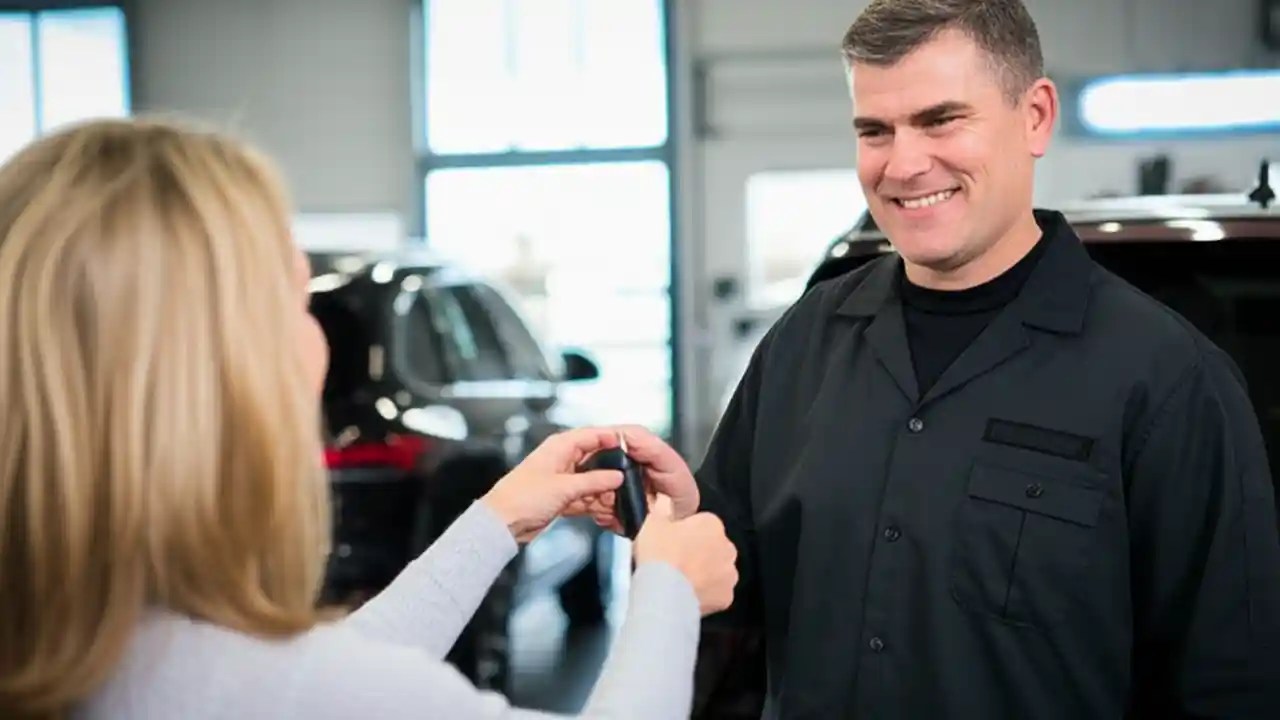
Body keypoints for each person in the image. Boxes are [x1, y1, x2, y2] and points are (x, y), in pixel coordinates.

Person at [619, 1, 1280, 718]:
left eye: (941, 120)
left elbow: (1227, 684)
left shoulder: (1168, 380)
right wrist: (680, 525)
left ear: (1035, 117)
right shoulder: (804, 342)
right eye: (876, 131)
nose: (903, 164)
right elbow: (727, 605)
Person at [0, 117, 739, 720]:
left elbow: (332, 679)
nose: (317, 337)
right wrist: (669, 594)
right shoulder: (249, 681)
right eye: (295, 303)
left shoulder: (98, 652)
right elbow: (322, 689)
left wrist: (497, 520)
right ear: (216, 368)